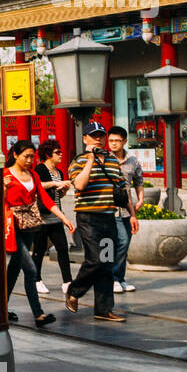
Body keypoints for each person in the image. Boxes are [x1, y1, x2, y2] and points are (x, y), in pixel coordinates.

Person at [64, 122, 136, 323]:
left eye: (100, 135)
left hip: (108, 216)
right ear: (85, 139)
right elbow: (79, 184)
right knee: (95, 259)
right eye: (93, 135)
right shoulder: (78, 161)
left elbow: (124, 190)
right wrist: (90, 160)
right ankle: (74, 290)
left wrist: (132, 215)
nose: (98, 139)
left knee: (107, 262)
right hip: (88, 217)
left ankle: (103, 309)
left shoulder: (113, 161)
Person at [4, 140, 74, 327]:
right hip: (12, 227)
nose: (29, 160)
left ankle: (1, 309)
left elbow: (46, 200)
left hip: (30, 226)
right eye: (25, 156)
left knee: (13, 270)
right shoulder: (5, 175)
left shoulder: (33, 175)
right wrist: (4, 187)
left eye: (31, 157)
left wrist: (64, 219)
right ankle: (38, 314)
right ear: (16, 155)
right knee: (31, 269)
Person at [30, 140, 74, 296]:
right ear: (48, 154)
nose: (61, 154)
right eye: (57, 152)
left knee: (62, 248)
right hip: (42, 217)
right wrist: (56, 184)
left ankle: (67, 281)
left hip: (55, 216)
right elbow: (38, 186)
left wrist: (63, 189)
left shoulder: (59, 172)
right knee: (39, 250)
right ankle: (36, 280)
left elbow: (58, 196)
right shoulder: (40, 169)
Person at [107, 126, 144, 294]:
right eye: (111, 141)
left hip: (127, 208)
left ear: (124, 141)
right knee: (119, 241)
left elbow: (138, 181)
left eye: (117, 141)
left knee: (125, 242)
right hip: (109, 208)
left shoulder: (132, 161)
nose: (113, 144)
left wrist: (141, 199)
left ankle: (120, 279)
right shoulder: (104, 159)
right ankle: (112, 278)